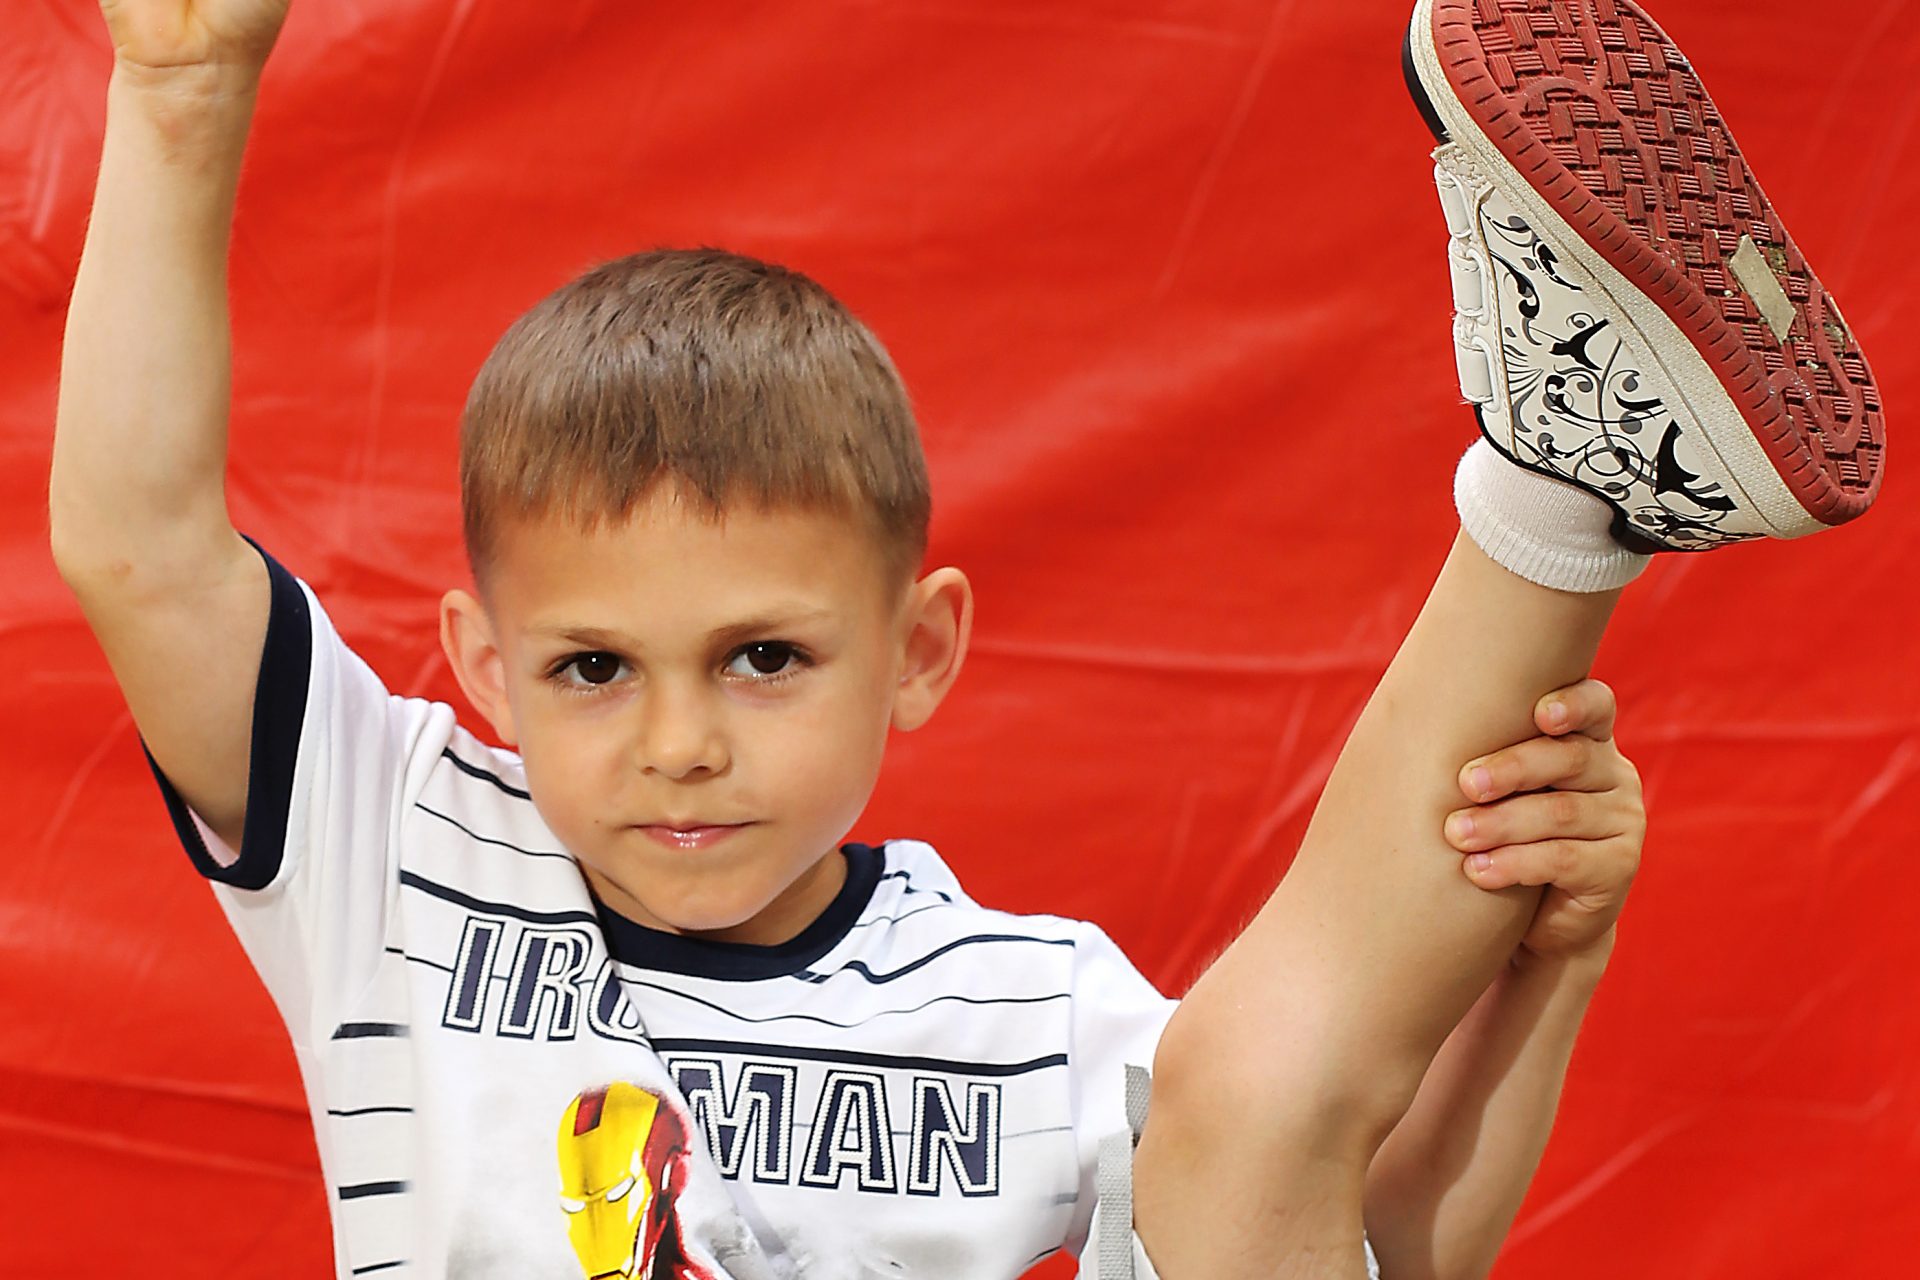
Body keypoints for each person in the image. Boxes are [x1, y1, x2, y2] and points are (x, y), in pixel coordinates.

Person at [48, 1, 1880, 1278]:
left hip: (1213, 1116)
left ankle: (1568, 483)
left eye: (764, 658)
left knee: (1244, 1102)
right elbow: (140, 548)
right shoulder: (397, 851)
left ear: (918, 649)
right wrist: (180, 98)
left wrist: (1542, 977)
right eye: (596, 669)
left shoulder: (1023, 1007)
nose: (680, 740)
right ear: (482, 661)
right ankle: (1575, 492)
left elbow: (1364, 1242)